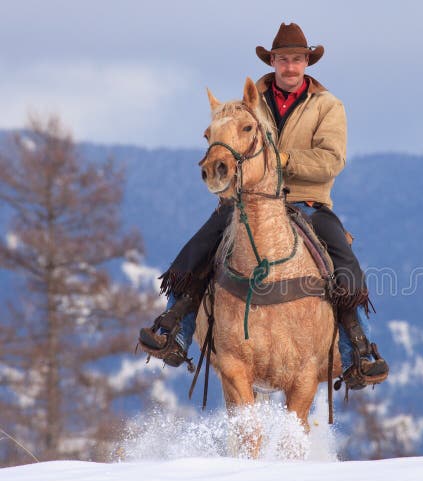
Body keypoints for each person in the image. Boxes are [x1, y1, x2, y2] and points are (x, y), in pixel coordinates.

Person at [138, 22, 388, 390]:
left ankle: (357, 350)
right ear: (272, 61)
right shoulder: (248, 102)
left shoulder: (328, 106)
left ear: (307, 63)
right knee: (196, 252)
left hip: (308, 202)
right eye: (283, 59)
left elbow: (331, 160)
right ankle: (176, 327)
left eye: (297, 59)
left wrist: (280, 159)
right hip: (247, 200)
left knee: (344, 266)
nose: (290, 66)